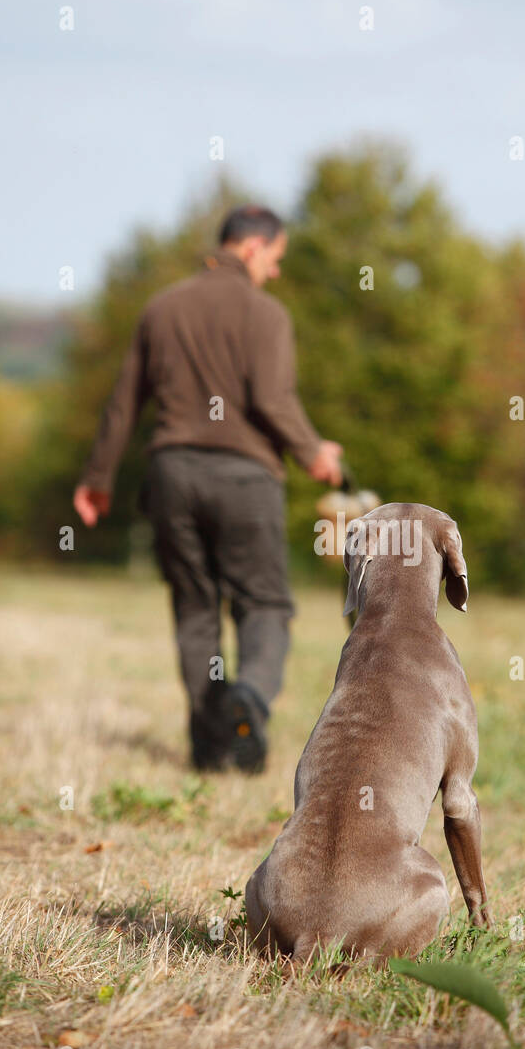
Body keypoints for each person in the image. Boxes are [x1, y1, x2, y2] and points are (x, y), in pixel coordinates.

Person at [73, 204, 343, 773]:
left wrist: (98, 480)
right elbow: (272, 401)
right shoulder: (266, 315)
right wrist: (313, 452)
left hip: (172, 475)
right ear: (251, 248)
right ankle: (249, 697)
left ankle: (208, 746)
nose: (275, 271)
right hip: (245, 478)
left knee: (195, 609)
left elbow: (123, 404)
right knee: (264, 603)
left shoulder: (162, 307)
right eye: (276, 258)